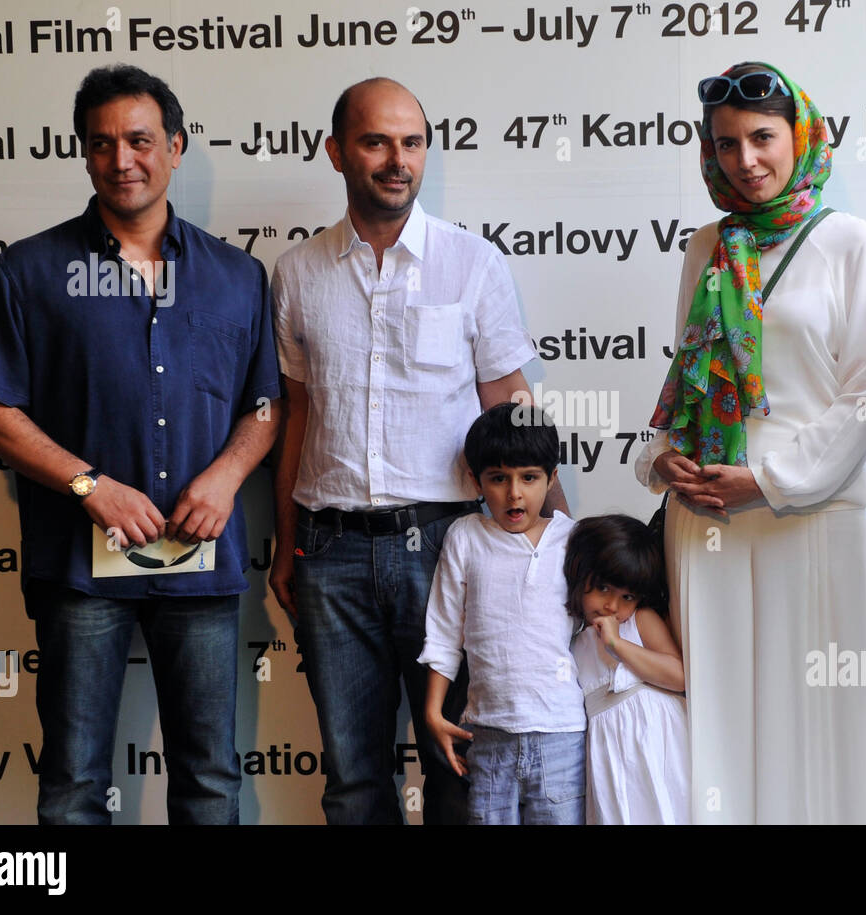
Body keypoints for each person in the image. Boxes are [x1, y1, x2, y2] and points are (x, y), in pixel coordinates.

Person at [0, 64, 282, 824]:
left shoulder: (237, 276)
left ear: (175, 145)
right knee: (72, 783)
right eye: (102, 145)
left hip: (199, 565)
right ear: (85, 155)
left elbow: (265, 405)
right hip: (78, 568)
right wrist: (88, 486)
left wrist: (227, 477)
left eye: (139, 140)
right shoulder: (29, 270)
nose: (122, 159)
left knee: (210, 780)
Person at [269, 78, 558, 824]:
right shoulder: (297, 274)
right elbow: (297, 412)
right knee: (354, 779)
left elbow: (511, 408)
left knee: (461, 764)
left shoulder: (473, 263)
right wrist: (285, 539)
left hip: (450, 547)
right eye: (376, 142)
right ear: (336, 152)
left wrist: (555, 547)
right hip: (329, 552)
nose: (398, 160)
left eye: (413, 142)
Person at [634, 62, 866, 824]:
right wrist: (662, 456)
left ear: (800, 136)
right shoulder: (706, 243)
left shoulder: (852, 243)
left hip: (807, 516)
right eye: (725, 145)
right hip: (706, 519)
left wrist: (767, 478)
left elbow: (864, 397)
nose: (745, 160)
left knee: (819, 726)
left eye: (762, 138)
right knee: (719, 723)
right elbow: (688, 374)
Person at [419, 402, 584, 825]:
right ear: (476, 480)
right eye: (498, 478)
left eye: (529, 478)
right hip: (487, 736)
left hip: (561, 736)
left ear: (552, 479)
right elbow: (443, 635)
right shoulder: (466, 537)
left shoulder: (575, 541)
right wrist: (434, 713)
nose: (514, 493)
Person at [565, 514, 689, 825]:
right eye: (603, 588)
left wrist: (617, 645)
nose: (612, 606)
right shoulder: (572, 638)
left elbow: (679, 675)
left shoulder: (638, 620)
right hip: (607, 753)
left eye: (627, 597)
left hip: (658, 744)